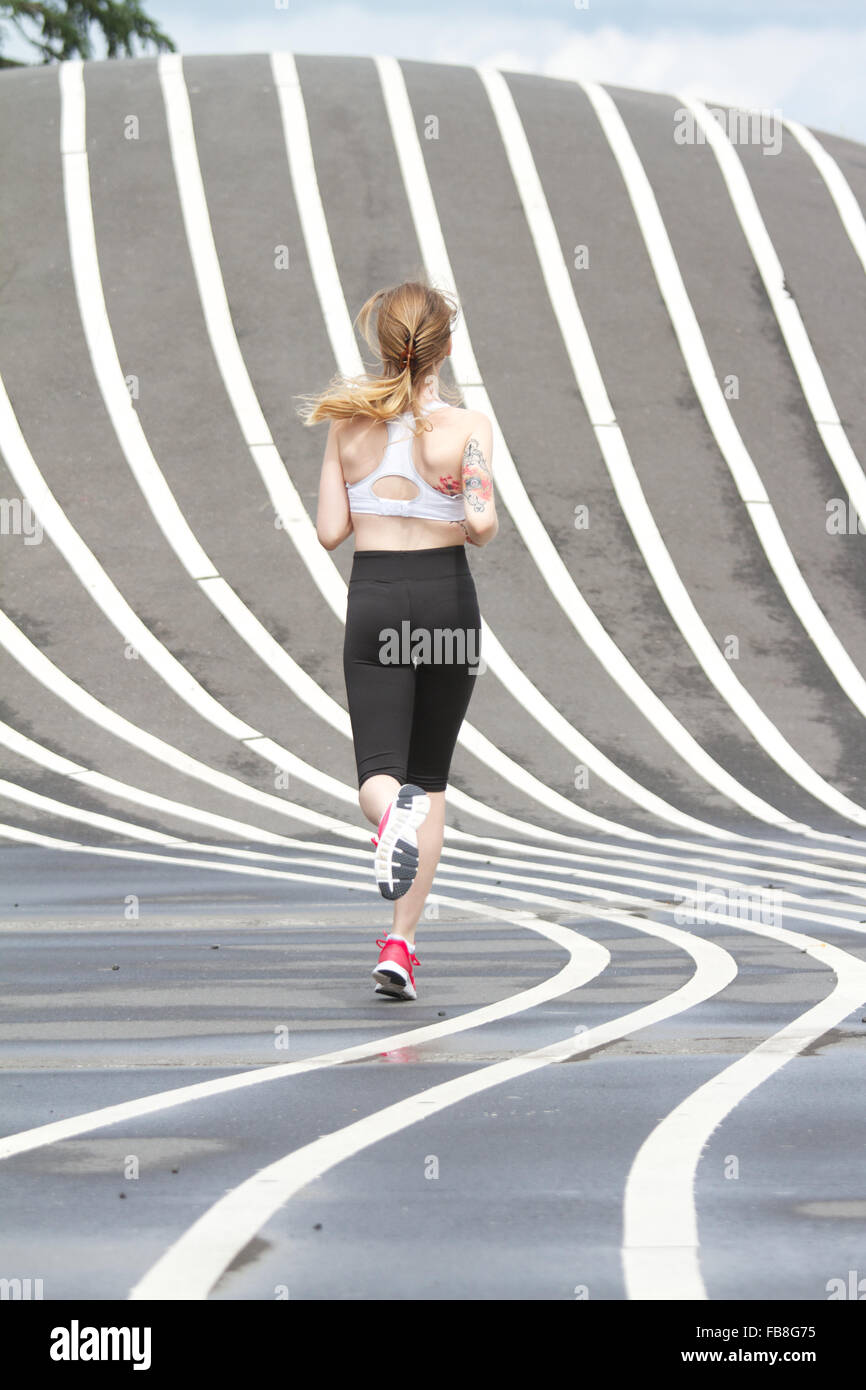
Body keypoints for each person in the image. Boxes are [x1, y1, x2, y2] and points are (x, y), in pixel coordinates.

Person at [296, 280, 498, 999]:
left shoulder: (347, 426)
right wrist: (450, 487)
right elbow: (481, 525)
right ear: (447, 348)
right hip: (446, 601)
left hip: (377, 598)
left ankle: (390, 823)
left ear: (383, 346)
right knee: (431, 781)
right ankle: (401, 944)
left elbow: (328, 533)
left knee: (382, 774)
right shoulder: (469, 426)